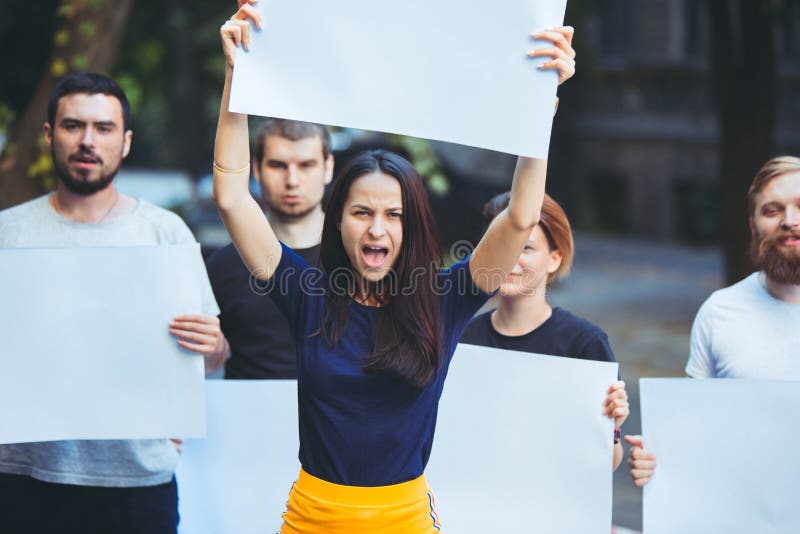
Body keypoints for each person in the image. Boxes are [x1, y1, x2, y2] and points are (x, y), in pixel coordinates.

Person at [214, 2, 576, 532]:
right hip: (312, 519)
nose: (377, 229)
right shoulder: (305, 292)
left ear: (414, 227)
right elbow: (231, 197)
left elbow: (522, 216)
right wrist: (238, 78)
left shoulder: (447, 297)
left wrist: (538, 103)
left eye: (393, 215)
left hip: (404, 520)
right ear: (337, 222)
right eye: (361, 213)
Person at [0, 72, 226, 534]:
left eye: (103, 128)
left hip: (139, 481)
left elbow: (211, 361)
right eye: (73, 126)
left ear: (125, 142)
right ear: (49, 135)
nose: (87, 140)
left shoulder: (165, 234)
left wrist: (215, 344)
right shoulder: (8, 234)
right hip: (23, 477)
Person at [627, 155, 800, 487]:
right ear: (753, 225)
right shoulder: (720, 313)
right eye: (772, 210)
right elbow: (697, 433)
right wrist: (658, 460)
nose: (789, 221)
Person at [460, 192, 630, 469]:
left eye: (525, 248)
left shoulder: (584, 344)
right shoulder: (460, 338)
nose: (510, 258)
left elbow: (607, 464)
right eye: (500, 243)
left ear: (554, 259)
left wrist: (611, 428)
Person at [205, 118, 333, 379]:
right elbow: (201, 362)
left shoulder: (361, 260)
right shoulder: (222, 265)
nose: (292, 180)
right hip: (245, 415)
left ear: (328, 167)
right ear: (257, 170)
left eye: (306, 165)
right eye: (278, 165)